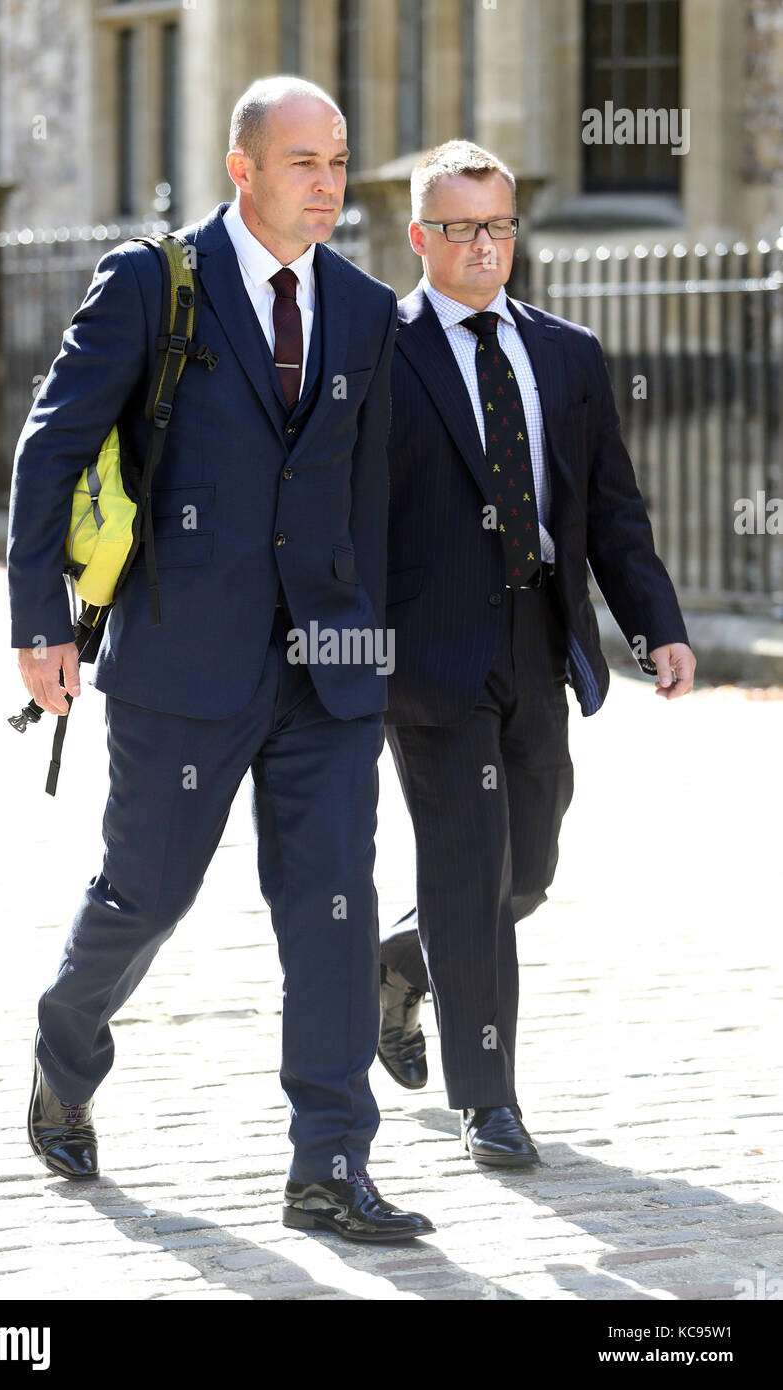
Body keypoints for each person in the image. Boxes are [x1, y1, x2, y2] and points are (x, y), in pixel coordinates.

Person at [7, 76, 434, 1243]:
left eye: (339, 163)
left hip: (326, 670)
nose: (328, 184)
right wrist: (40, 620)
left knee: (334, 910)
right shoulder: (153, 281)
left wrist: (378, 645)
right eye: (304, 161)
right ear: (241, 166)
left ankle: (328, 1163)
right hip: (181, 663)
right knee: (146, 895)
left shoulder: (360, 305)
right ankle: (65, 1046)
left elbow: (370, 494)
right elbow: (52, 444)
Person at [377, 141, 696, 1169]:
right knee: (470, 874)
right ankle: (489, 1098)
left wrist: (656, 622)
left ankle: (396, 958)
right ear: (419, 236)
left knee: (528, 864)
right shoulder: (378, 351)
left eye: (500, 225)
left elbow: (609, 507)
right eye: (462, 228)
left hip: (538, 640)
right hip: (428, 657)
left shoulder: (564, 352)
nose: (484, 247)